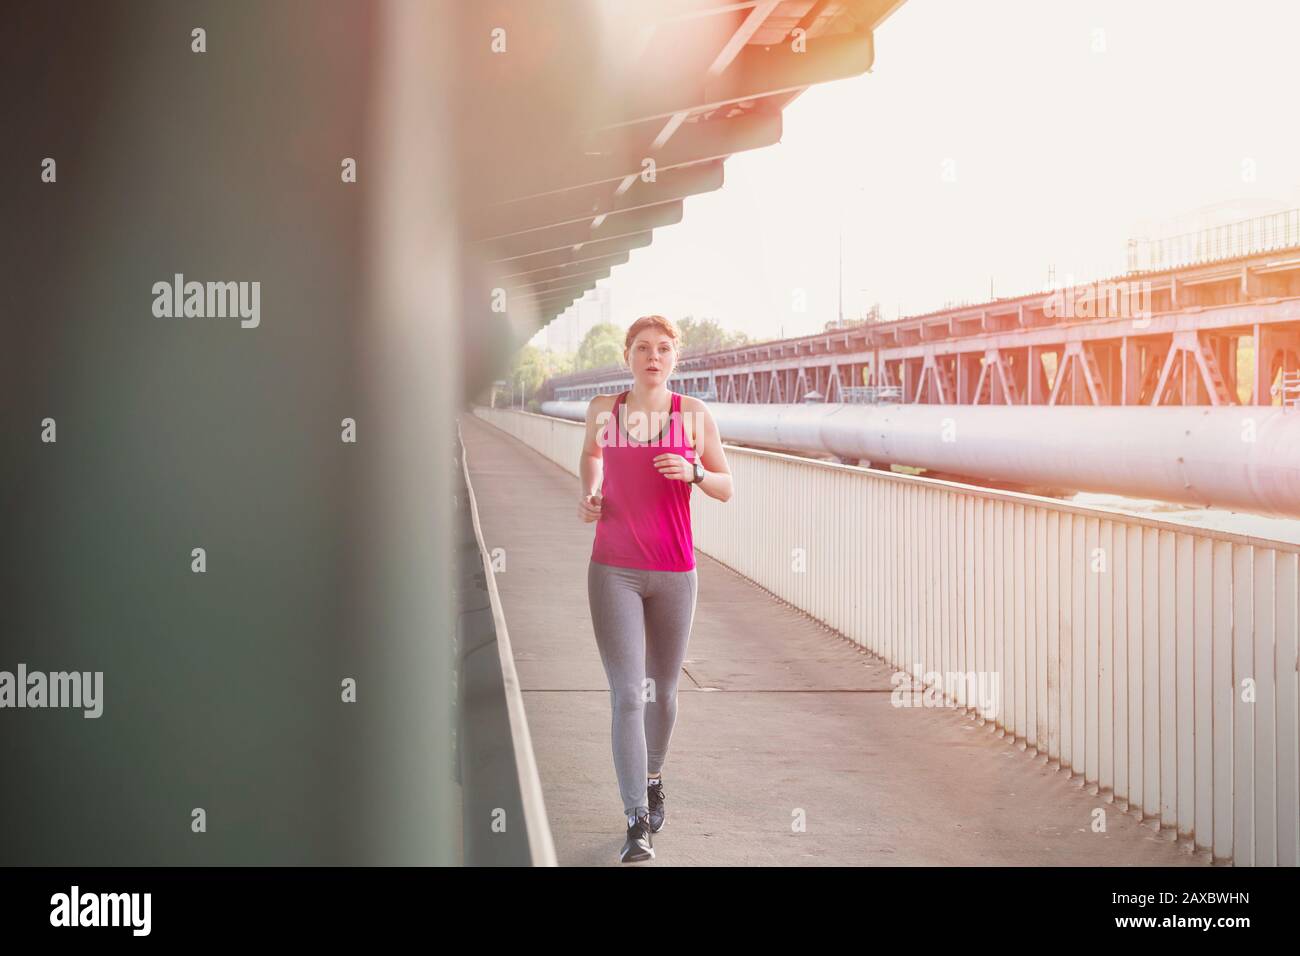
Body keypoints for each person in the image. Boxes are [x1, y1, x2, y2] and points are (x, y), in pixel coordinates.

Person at [577, 314, 734, 863]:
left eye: (664, 349)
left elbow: (725, 486)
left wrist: (693, 473)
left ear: (675, 358)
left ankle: (654, 775)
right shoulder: (606, 411)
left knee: (661, 693)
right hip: (613, 568)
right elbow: (593, 457)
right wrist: (591, 494)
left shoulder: (691, 417)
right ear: (628, 355)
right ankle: (636, 820)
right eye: (643, 347)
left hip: (673, 571)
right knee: (627, 694)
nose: (653, 356)